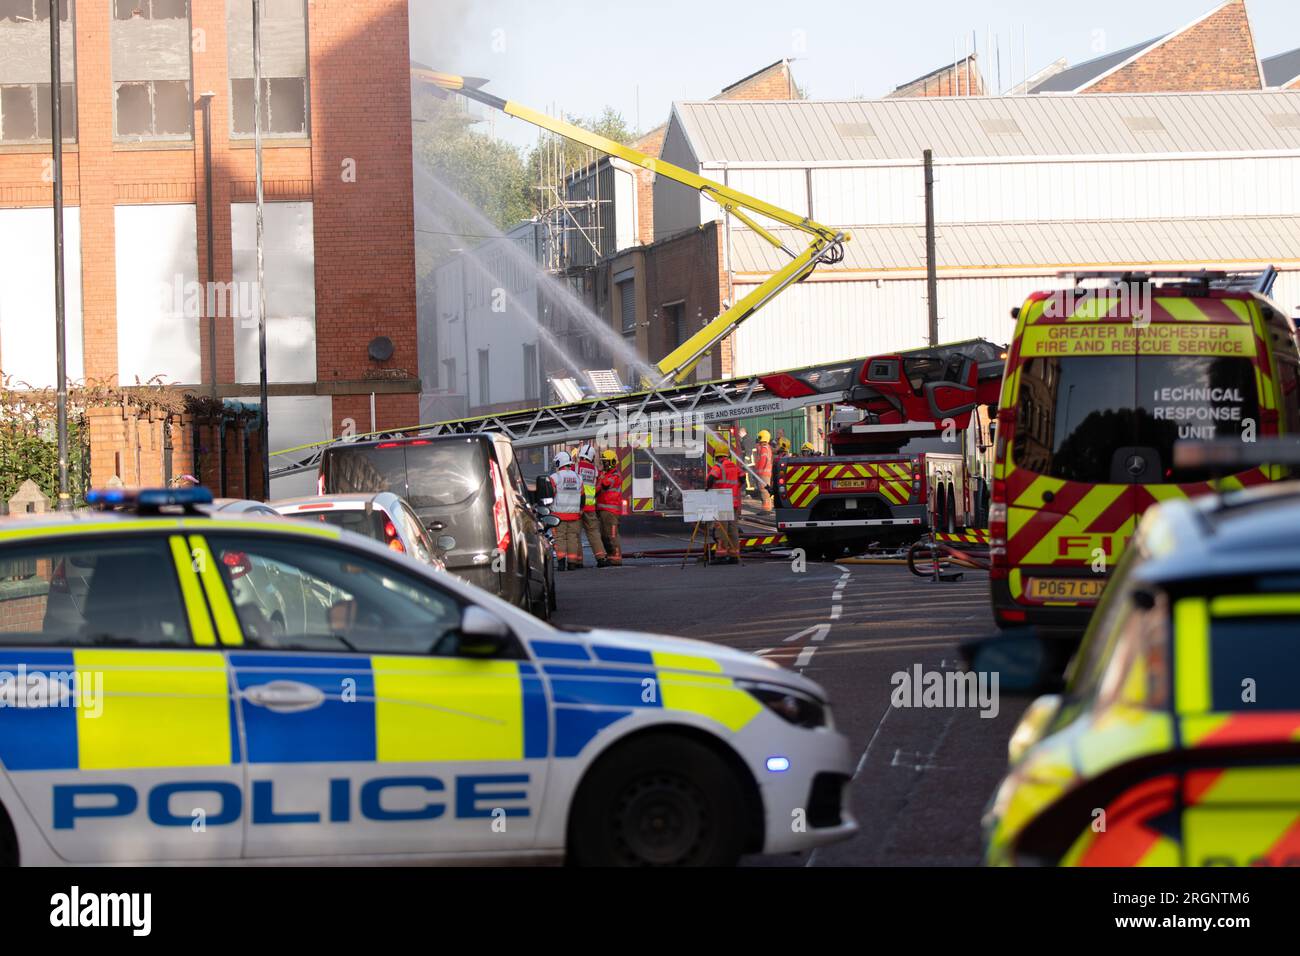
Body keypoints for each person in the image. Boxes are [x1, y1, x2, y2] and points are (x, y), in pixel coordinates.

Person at [706, 445, 743, 564]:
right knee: (733, 529)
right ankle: (734, 554)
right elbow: (742, 476)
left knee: (721, 529)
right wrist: (737, 487)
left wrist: (708, 487)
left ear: (716, 456)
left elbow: (711, 477)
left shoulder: (718, 466)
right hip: (734, 503)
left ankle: (721, 555)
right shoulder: (734, 466)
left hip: (722, 503)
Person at [574, 443, 609, 567]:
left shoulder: (576, 467)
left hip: (577, 507)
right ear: (592, 457)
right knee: (593, 532)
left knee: (576, 534)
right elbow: (598, 487)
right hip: (590, 507)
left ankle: (577, 561)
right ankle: (601, 558)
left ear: (580, 455)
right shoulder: (595, 471)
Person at [549, 451, 584, 570]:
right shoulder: (578, 478)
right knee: (573, 539)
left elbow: (550, 494)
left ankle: (561, 563)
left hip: (559, 516)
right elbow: (582, 496)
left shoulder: (555, 477)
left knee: (560, 539)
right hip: (575, 515)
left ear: (559, 462)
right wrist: (580, 509)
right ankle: (572, 563)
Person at [595, 449, 624, 566]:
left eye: (606, 462)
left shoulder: (615, 476)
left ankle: (616, 558)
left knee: (612, 535)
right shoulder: (604, 474)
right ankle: (610, 556)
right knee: (603, 536)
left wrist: (600, 477)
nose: (604, 464)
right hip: (602, 510)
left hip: (611, 512)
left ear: (612, 462)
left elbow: (604, 485)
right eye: (603, 462)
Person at [754, 429, 774, 512]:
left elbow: (762, 461)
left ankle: (766, 509)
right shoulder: (766, 447)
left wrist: (758, 472)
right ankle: (766, 507)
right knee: (764, 490)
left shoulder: (764, 448)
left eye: (759, 438)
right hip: (765, 473)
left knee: (764, 491)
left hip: (763, 473)